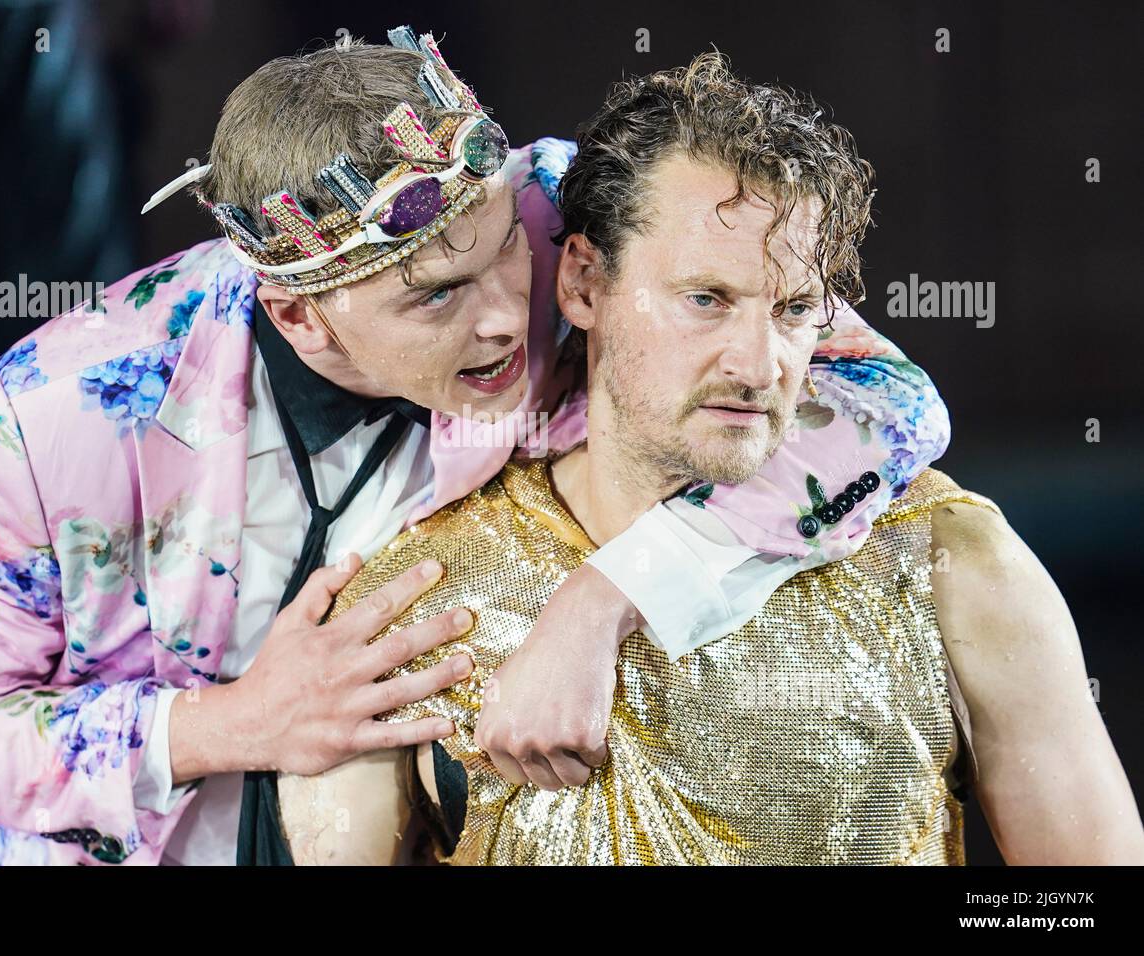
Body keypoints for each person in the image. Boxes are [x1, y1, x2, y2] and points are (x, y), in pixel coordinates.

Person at [0, 28, 949, 865]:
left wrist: (613, 593)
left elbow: (884, 397)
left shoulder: (555, 215)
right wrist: (229, 723)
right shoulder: (61, 407)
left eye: (498, 258)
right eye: (434, 296)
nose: (501, 317)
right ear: (301, 315)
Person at [279, 49, 1144, 865]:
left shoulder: (954, 561)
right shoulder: (406, 614)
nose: (759, 363)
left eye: (797, 307)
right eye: (706, 298)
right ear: (581, 283)